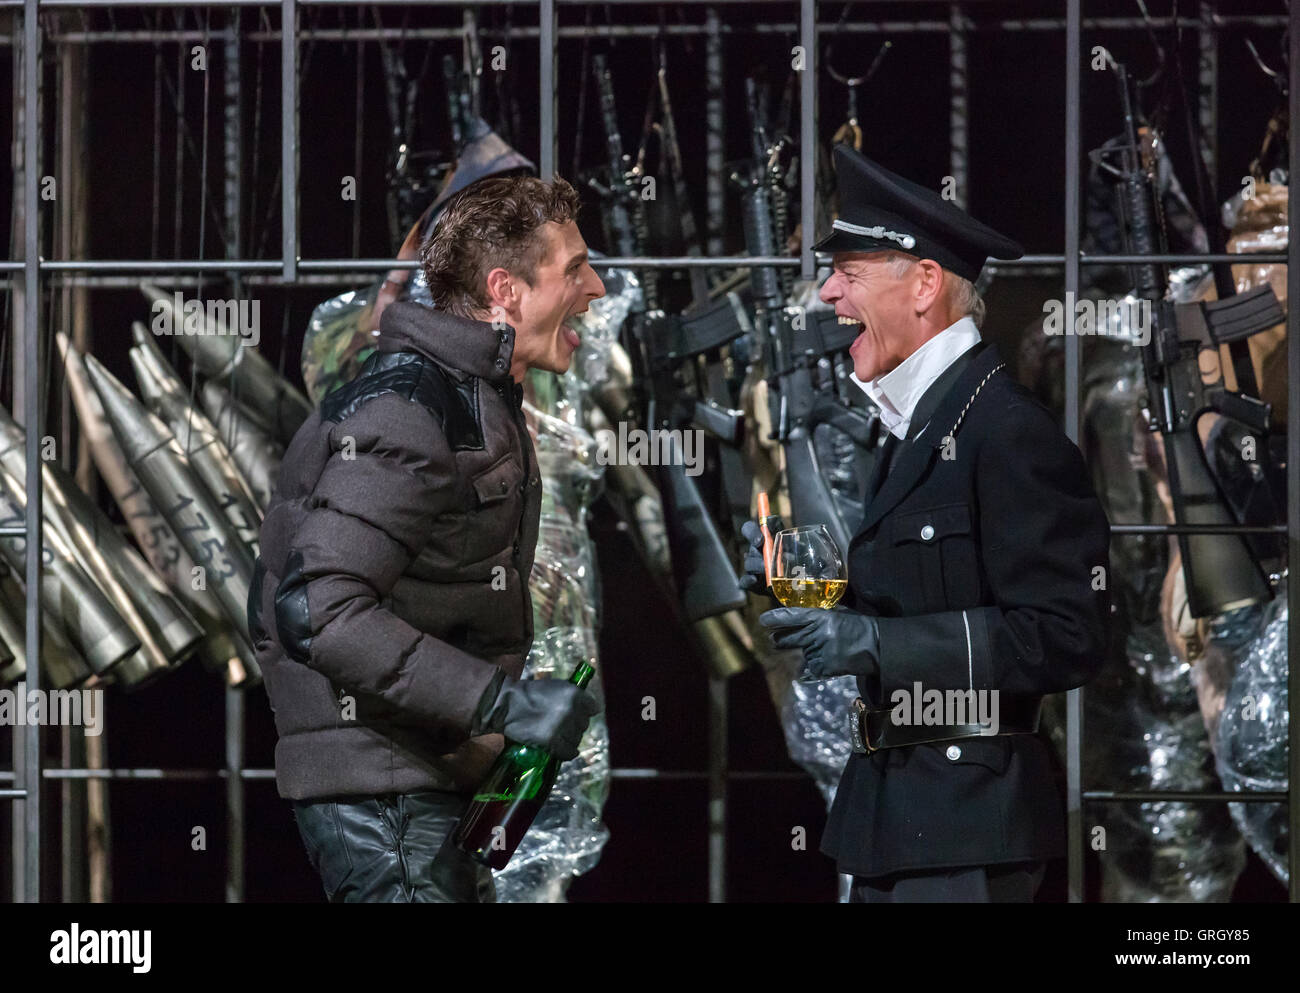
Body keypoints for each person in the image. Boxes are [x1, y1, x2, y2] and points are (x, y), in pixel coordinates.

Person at [744, 146, 1112, 902]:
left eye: (848, 272)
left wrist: (873, 641)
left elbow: (1065, 633)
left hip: (969, 828)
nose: (828, 294)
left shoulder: (1004, 429)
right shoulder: (921, 423)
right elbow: (929, 605)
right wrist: (827, 607)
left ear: (924, 284)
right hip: (903, 821)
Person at [248, 174, 606, 903]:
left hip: (417, 786)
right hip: (386, 801)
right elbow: (319, 607)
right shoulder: (410, 409)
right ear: (505, 289)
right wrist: (502, 704)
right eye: (574, 269)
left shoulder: (468, 396)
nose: (595, 287)